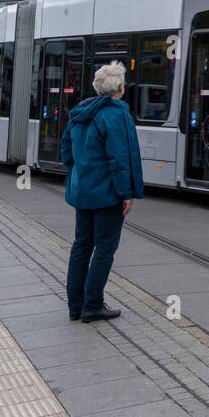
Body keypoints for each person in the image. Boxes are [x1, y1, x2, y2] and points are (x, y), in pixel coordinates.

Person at [60, 62, 145, 323]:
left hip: (82, 191)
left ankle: (75, 306)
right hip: (106, 194)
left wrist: (80, 173)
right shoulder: (117, 114)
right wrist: (127, 193)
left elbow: (66, 152)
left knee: (82, 245)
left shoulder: (80, 112)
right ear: (120, 87)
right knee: (104, 248)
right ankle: (92, 304)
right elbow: (119, 159)